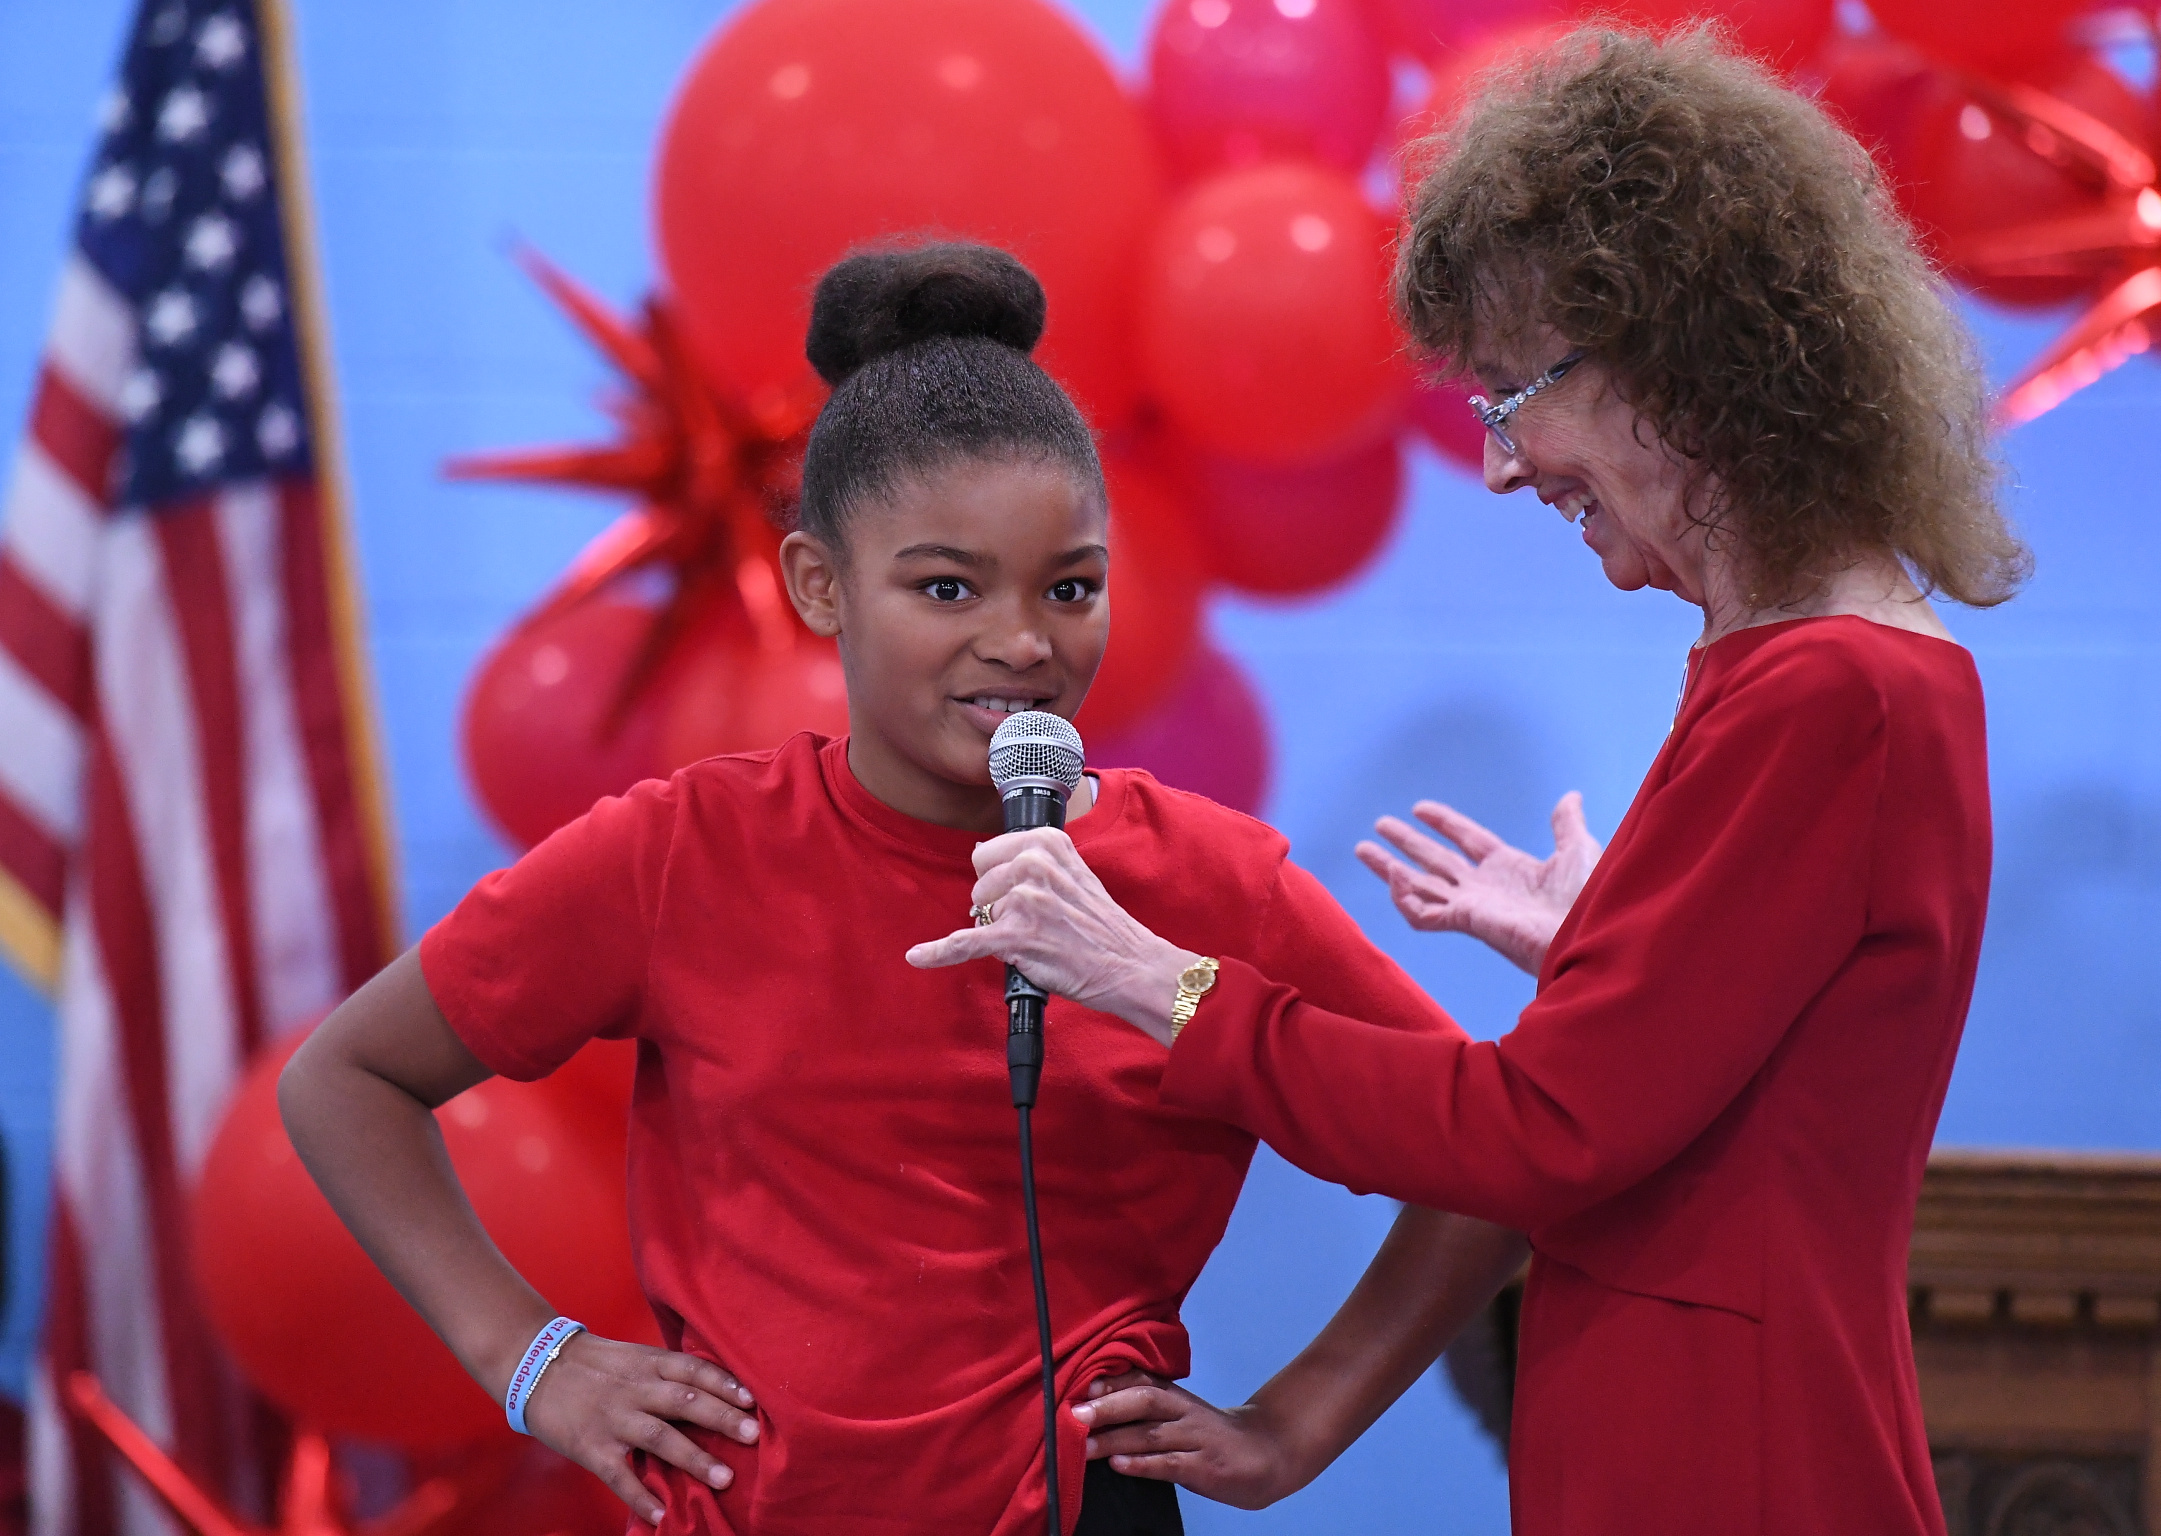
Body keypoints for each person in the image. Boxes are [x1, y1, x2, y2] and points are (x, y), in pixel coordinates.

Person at [908, 28, 2031, 1535]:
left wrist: (1154, 981)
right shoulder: (1816, 670)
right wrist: (1605, 950)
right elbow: (1723, 1095)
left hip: (1732, 1467)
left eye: (1514, 397)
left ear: (1680, 352)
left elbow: (1536, 1133)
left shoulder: (1833, 690)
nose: (1500, 466)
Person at [278, 241, 1529, 1536]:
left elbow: (1484, 1149)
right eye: (947, 587)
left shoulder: (1213, 883)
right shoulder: (683, 854)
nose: (1023, 640)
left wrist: (1298, 1423)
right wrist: (529, 1359)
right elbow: (345, 1079)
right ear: (821, 587)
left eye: (1072, 587)